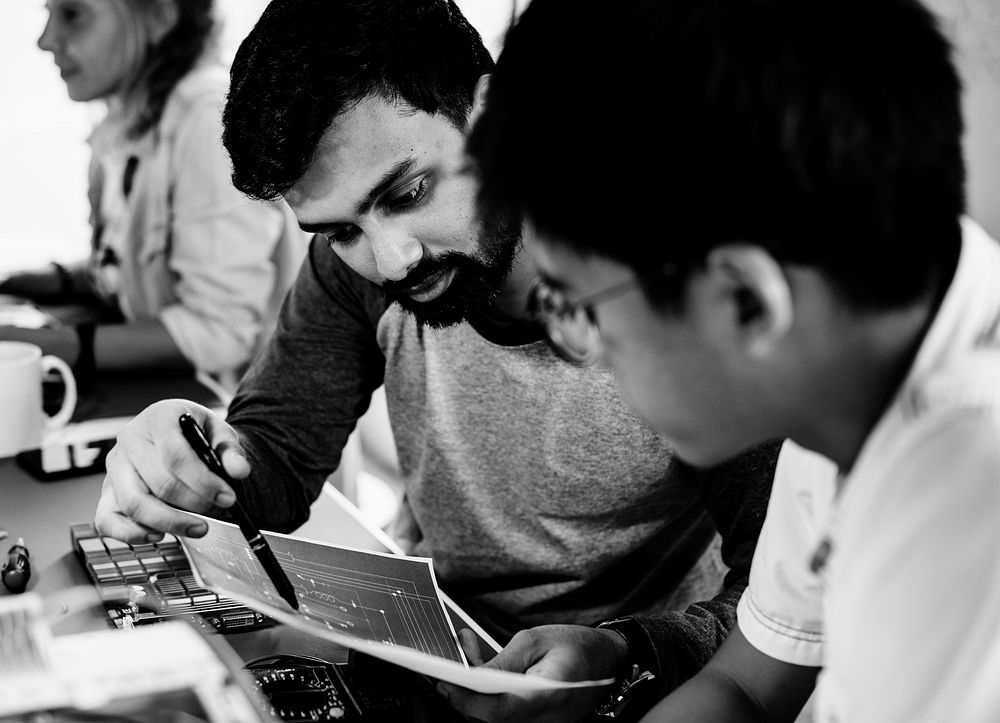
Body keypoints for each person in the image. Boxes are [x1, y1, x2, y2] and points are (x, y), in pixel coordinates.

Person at [93, 0, 778, 716]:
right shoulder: (349, 270)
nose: (393, 260)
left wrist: (627, 652)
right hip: (437, 657)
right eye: (341, 230)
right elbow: (277, 459)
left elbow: (782, 607)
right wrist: (191, 450)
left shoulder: (670, 289)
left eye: (409, 192)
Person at [446, 0, 1000, 721]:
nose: (584, 351)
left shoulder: (965, 510)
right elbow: (744, 687)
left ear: (744, 299)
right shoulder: (843, 380)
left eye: (582, 307)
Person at [0, 0, 304, 388]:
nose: (45, 39)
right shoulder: (127, 119)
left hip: (234, 414)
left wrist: (38, 346)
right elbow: (126, 265)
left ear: (159, 16)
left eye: (73, 14)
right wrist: (30, 279)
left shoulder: (208, 122)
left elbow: (220, 333)